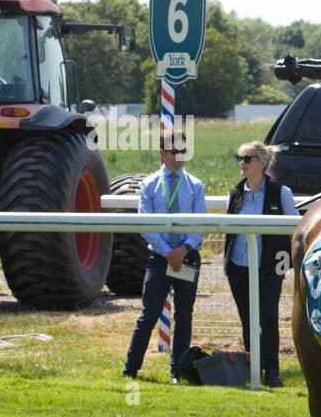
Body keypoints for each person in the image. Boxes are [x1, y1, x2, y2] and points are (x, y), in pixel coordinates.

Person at [122, 130, 206, 382]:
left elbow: (199, 225)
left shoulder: (195, 185)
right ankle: (130, 370)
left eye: (184, 151)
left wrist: (183, 250)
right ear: (162, 153)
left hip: (187, 257)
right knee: (148, 315)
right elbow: (146, 225)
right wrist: (167, 252)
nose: (180, 156)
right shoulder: (149, 185)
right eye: (175, 151)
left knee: (183, 316)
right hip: (159, 259)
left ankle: (178, 372)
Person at [224, 142, 300, 387]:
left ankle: (272, 371)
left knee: (268, 317)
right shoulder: (235, 193)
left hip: (269, 267)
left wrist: (290, 264)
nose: (242, 163)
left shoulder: (281, 193)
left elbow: (296, 231)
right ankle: (252, 366)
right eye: (240, 158)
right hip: (238, 266)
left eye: (247, 158)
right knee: (247, 319)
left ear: (261, 162)